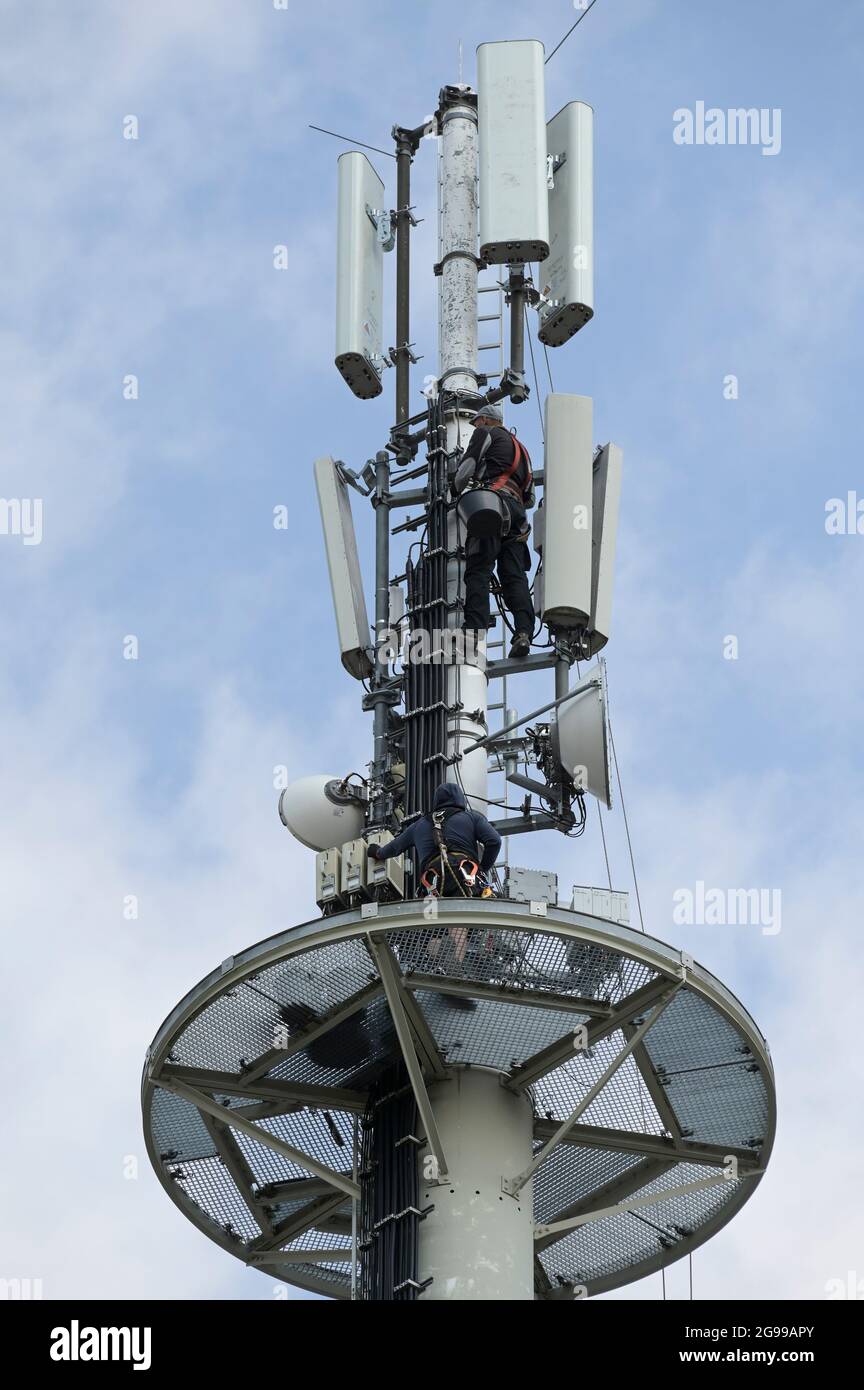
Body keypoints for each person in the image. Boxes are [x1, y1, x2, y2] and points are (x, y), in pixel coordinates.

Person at [367, 783, 501, 966]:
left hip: (432, 883)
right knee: (457, 917)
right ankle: (456, 962)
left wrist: (376, 852)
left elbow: (393, 849)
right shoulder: (471, 818)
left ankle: (439, 964)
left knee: (434, 927)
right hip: (463, 874)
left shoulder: (419, 825)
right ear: (460, 800)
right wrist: (483, 869)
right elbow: (494, 841)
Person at [454, 403, 535, 660]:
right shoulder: (523, 450)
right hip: (518, 517)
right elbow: (530, 497)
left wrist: (454, 487)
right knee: (513, 576)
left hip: (492, 506)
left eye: (477, 422)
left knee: (478, 569)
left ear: (486, 420)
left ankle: (473, 632)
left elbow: (466, 468)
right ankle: (523, 631)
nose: (475, 427)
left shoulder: (485, 434)